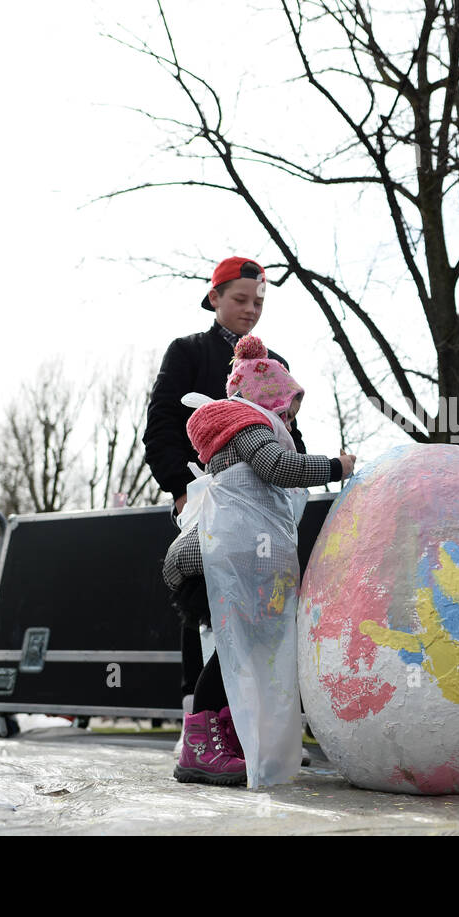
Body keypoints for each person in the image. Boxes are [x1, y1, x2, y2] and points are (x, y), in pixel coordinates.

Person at [164, 334, 354, 786]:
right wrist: (335, 468)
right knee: (233, 650)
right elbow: (280, 469)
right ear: (268, 399)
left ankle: (226, 734)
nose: (289, 419)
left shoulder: (250, 426)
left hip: (229, 560)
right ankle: (199, 743)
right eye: (287, 409)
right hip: (211, 559)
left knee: (246, 649)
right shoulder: (247, 427)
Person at [143, 256, 306, 737]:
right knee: (208, 606)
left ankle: (250, 724)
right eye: (239, 299)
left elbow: (287, 433)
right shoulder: (188, 352)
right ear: (214, 298)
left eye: (259, 301)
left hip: (263, 511)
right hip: (204, 498)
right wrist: (180, 490)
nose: (251, 309)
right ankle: (198, 721)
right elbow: (161, 427)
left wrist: (302, 474)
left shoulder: (276, 365)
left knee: (259, 607)